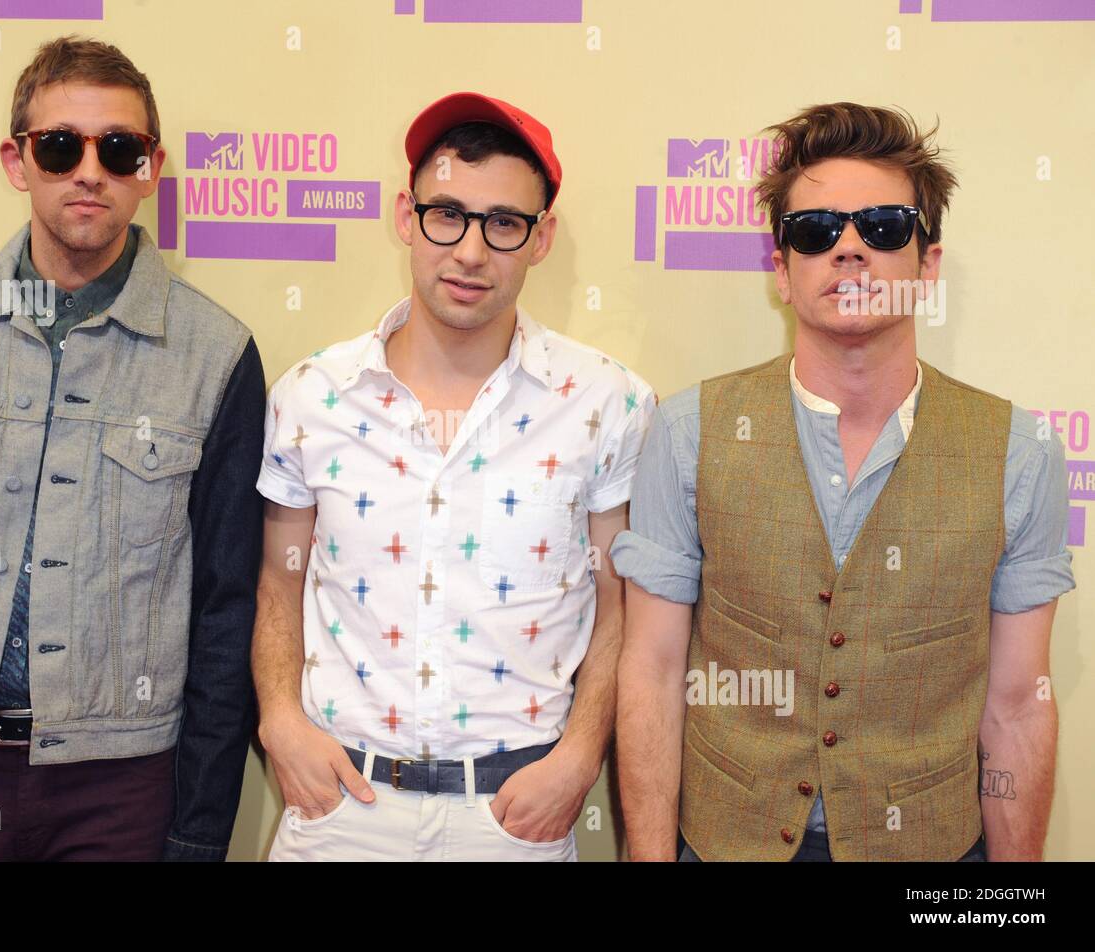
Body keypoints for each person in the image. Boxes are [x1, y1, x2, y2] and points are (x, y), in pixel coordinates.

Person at [0, 35, 264, 862]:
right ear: (17, 160)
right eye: (60, 147)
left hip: (122, 789)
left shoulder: (218, 355)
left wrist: (199, 837)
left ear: (151, 167)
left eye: (119, 148)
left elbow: (223, 616)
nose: (88, 171)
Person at [613, 102, 1075, 862]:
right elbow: (654, 671)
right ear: (783, 272)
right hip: (725, 842)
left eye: (885, 227)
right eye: (816, 231)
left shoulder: (1020, 453)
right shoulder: (687, 431)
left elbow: (1020, 704)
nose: (851, 249)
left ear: (927, 265)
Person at [253, 92, 656, 861]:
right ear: (406, 216)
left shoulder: (606, 401)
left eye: (504, 223)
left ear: (541, 240)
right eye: (448, 214)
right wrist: (279, 720)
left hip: (513, 815)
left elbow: (621, 604)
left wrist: (578, 759)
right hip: (340, 807)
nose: (471, 252)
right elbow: (279, 582)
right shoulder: (313, 395)